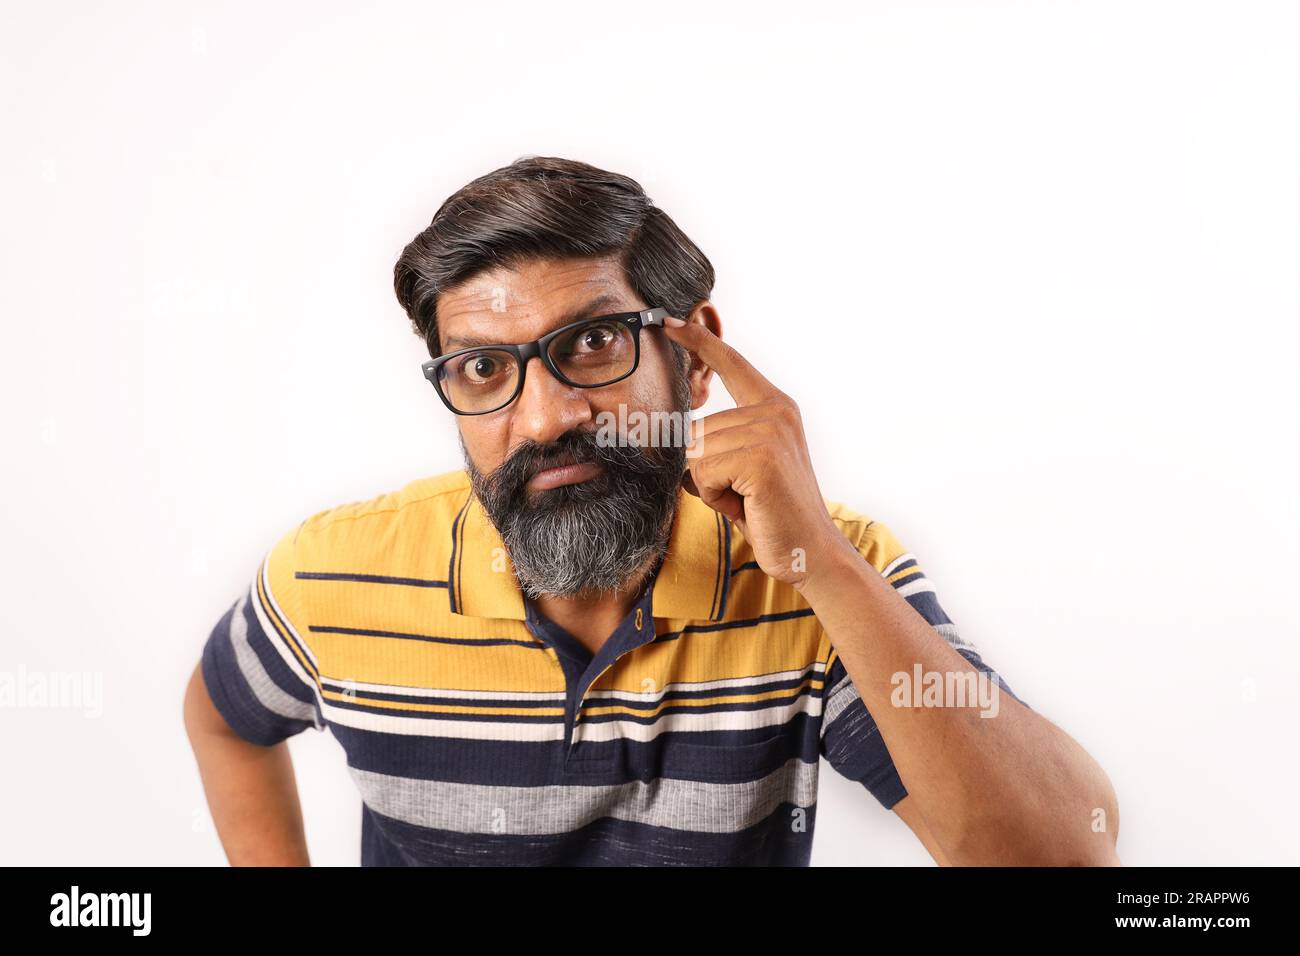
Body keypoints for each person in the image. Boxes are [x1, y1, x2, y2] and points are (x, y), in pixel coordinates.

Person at [183, 155, 1120, 866]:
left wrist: (823, 570)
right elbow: (224, 718)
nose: (547, 416)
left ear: (696, 353)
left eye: (592, 343)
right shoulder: (336, 574)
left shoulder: (822, 573)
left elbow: (1059, 851)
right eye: (483, 369)